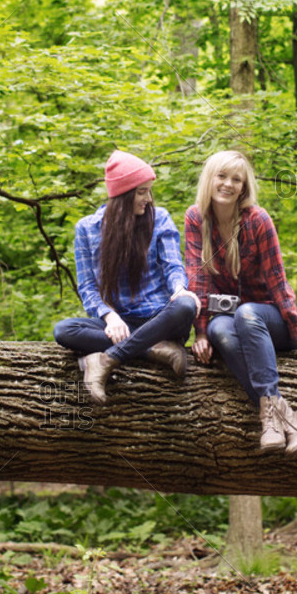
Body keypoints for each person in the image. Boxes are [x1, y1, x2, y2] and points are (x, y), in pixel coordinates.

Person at [184, 150, 297, 452]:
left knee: (247, 313)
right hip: (232, 321)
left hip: (270, 323)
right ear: (210, 178)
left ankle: (271, 421)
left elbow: (278, 282)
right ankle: (287, 416)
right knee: (221, 330)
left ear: (244, 187)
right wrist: (202, 331)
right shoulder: (196, 218)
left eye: (237, 179)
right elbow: (198, 278)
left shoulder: (257, 220)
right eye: (222, 176)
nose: (228, 184)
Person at [54, 150, 199, 404]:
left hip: (160, 320)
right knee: (64, 330)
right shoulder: (87, 229)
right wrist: (109, 316)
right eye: (142, 192)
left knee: (186, 305)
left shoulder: (160, 218)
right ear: (123, 194)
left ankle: (105, 359)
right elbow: (88, 286)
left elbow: (173, 266)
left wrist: (179, 289)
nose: (149, 198)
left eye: (149, 191)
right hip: (119, 325)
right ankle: (153, 349)